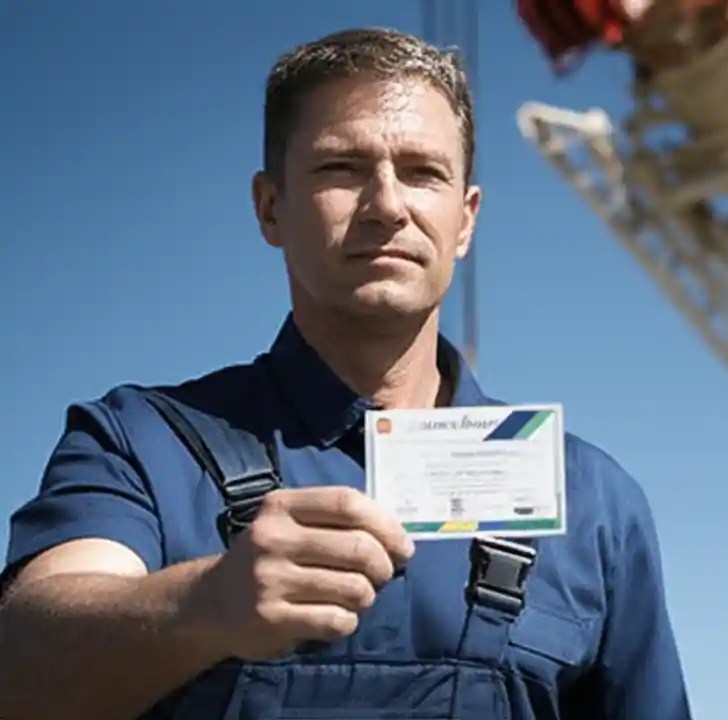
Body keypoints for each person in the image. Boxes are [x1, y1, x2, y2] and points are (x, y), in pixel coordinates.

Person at [0, 27, 692, 720]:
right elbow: (21, 665)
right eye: (341, 168)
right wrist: (204, 605)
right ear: (270, 207)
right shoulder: (140, 444)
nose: (388, 205)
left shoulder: (593, 500)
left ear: (465, 220)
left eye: (423, 172)